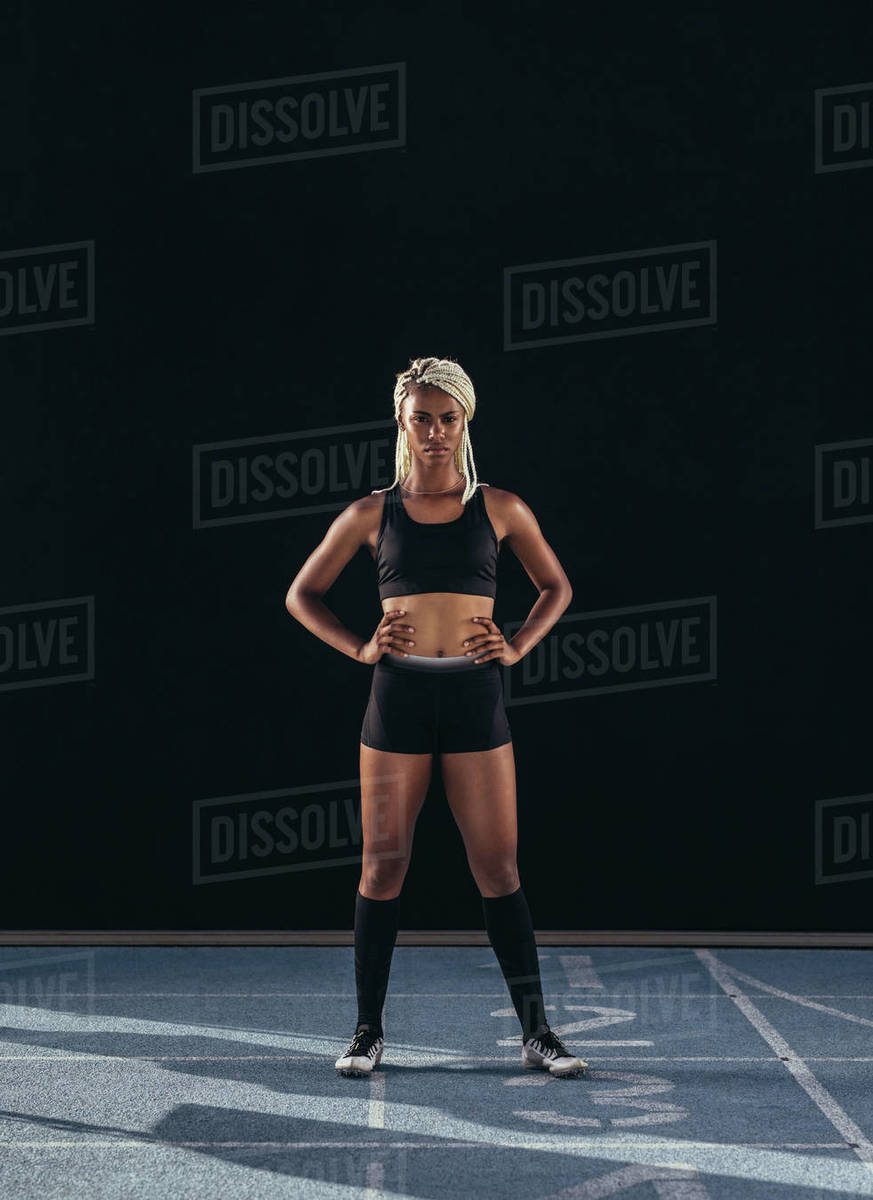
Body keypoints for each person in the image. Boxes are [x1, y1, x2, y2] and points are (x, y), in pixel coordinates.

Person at [285, 356, 587, 1080]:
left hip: (474, 697)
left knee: (498, 867)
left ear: (465, 421)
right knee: (382, 866)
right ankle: (366, 1032)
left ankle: (537, 1033)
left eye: (447, 418)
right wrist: (360, 647)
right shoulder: (370, 513)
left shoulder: (501, 507)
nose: (435, 431)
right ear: (401, 420)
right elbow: (302, 594)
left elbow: (555, 586)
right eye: (422, 417)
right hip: (398, 701)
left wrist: (515, 644)